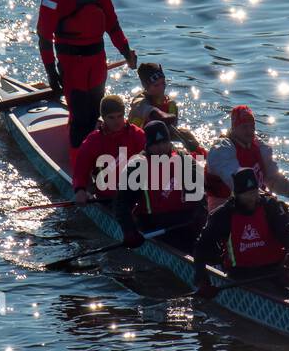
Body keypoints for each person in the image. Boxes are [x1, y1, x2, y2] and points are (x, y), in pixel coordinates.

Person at [36, 0, 137, 163]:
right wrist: (51, 72)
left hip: (97, 62)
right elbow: (44, 38)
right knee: (81, 118)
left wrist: (126, 51)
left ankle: (97, 158)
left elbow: (112, 25)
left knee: (95, 113)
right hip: (72, 64)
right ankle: (78, 168)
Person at [193, 168, 289, 299]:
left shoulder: (270, 207)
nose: (252, 198)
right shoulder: (223, 215)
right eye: (247, 194)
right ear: (236, 195)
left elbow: (288, 233)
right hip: (242, 274)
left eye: (254, 192)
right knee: (274, 292)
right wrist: (202, 279)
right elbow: (201, 247)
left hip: (274, 269)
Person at [114, 120, 207, 252]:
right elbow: (122, 204)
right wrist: (129, 231)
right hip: (153, 225)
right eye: (156, 144)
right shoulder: (136, 166)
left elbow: (200, 193)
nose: (161, 147)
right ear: (147, 145)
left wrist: (200, 212)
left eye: (165, 142)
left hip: (185, 221)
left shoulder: (184, 160)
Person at [204, 104, 289, 210]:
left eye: (252, 126)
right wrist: (269, 202)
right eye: (244, 127)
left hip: (257, 204)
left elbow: (273, 179)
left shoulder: (259, 147)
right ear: (234, 128)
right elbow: (239, 183)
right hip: (225, 210)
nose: (249, 131)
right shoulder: (222, 150)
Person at [71, 94, 146, 206]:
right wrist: (80, 190)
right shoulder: (93, 141)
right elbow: (80, 170)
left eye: (120, 116)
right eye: (111, 117)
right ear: (103, 118)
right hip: (107, 198)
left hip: (135, 195)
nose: (117, 121)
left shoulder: (137, 134)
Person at [127, 62, 201, 153]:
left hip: (159, 144)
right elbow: (143, 108)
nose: (161, 88)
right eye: (156, 85)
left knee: (187, 136)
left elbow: (169, 133)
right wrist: (157, 114)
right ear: (146, 86)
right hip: (137, 144)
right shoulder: (140, 101)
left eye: (163, 83)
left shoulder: (171, 105)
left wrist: (184, 137)